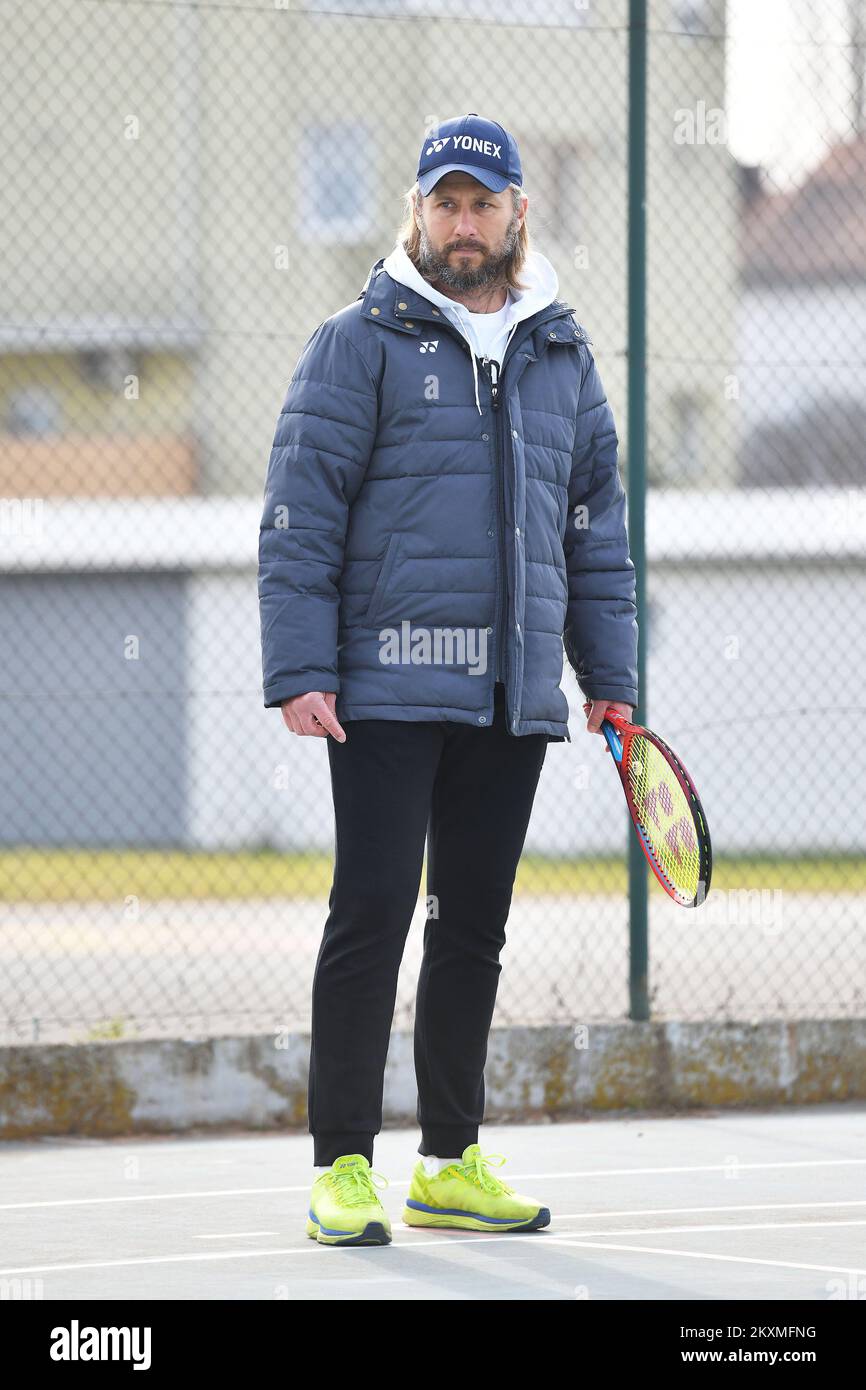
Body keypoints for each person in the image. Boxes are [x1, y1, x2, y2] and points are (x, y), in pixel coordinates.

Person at [258, 112, 638, 1246]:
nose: (461, 223)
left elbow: (594, 534)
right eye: (443, 202)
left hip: (508, 697)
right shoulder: (356, 339)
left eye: (481, 203)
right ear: (415, 213)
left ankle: (448, 1160)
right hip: (381, 687)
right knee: (370, 915)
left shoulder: (561, 355)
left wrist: (606, 678)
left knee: (471, 925)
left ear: (517, 211)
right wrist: (300, 666)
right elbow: (298, 518)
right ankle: (339, 1168)